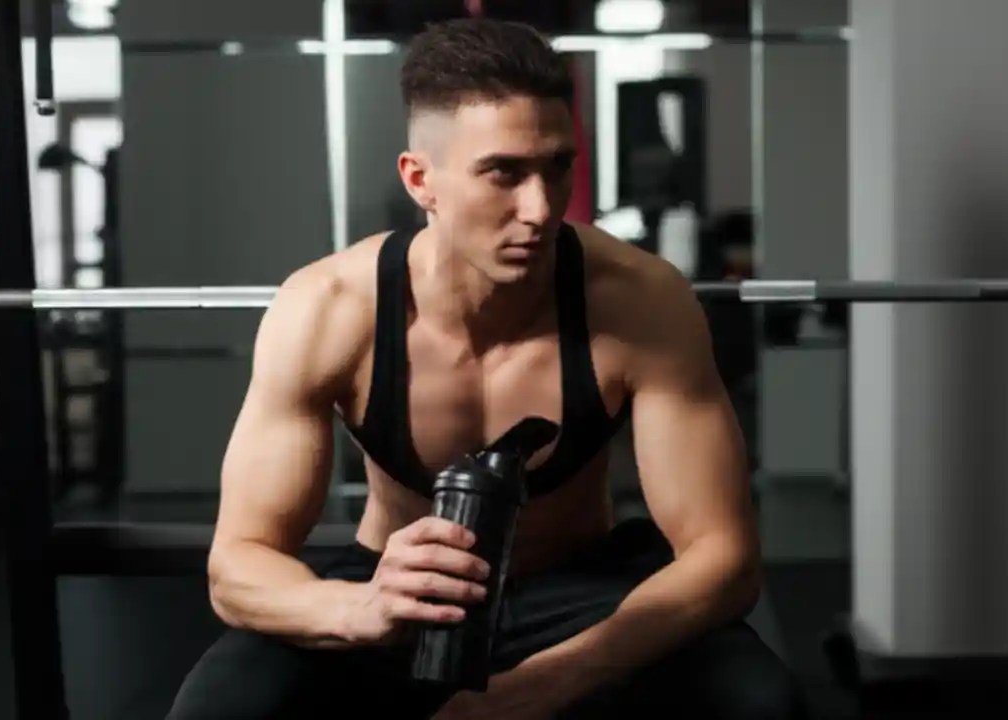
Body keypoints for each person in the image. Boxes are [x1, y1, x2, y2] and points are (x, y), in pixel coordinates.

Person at [168, 17, 803, 720]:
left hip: (581, 590)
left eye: (557, 166)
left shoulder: (641, 301)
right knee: (219, 708)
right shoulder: (330, 308)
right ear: (421, 180)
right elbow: (237, 568)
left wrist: (540, 686)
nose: (539, 209)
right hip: (400, 589)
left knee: (759, 702)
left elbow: (725, 558)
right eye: (503, 172)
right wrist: (361, 606)